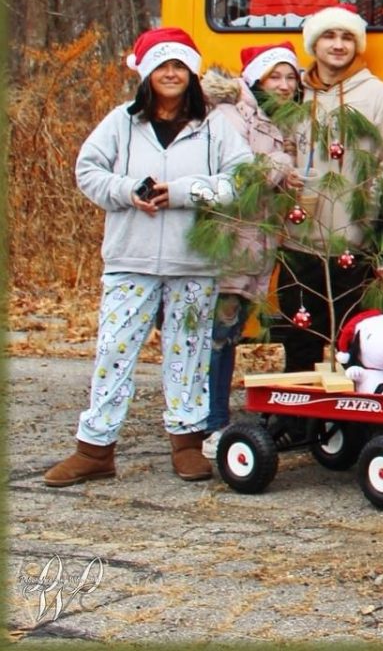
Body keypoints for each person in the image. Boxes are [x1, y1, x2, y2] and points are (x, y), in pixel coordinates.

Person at [47, 29, 251, 487]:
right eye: (162, 66)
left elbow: (240, 180)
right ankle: (95, 449)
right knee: (114, 350)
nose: (171, 73)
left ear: (191, 73)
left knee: (189, 351)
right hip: (130, 259)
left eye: (179, 66)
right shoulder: (122, 122)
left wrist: (180, 193)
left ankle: (187, 443)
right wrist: (127, 191)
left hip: (193, 262)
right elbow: (88, 170)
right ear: (146, 73)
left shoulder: (214, 125)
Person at [283, 5, 383, 371]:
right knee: (299, 344)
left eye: (347, 37)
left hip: (354, 244)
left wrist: (366, 215)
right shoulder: (293, 94)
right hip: (298, 243)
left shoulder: (377, 95)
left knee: (353, 349)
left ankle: (351, 410)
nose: (338, 45)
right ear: (313, 44)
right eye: (329, 36)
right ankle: (302, 409)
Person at [199, 42, 303, 455]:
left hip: (255, 245)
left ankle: (211, 418)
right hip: (227, 244)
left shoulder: (274, 121)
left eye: (291, 77)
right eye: (275, 76)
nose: (284, 85)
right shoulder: (230, 116)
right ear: (256, 79)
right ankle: (210, 424)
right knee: (217, 337)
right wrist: (284, 165)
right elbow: (239, 176)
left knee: (228, 334)